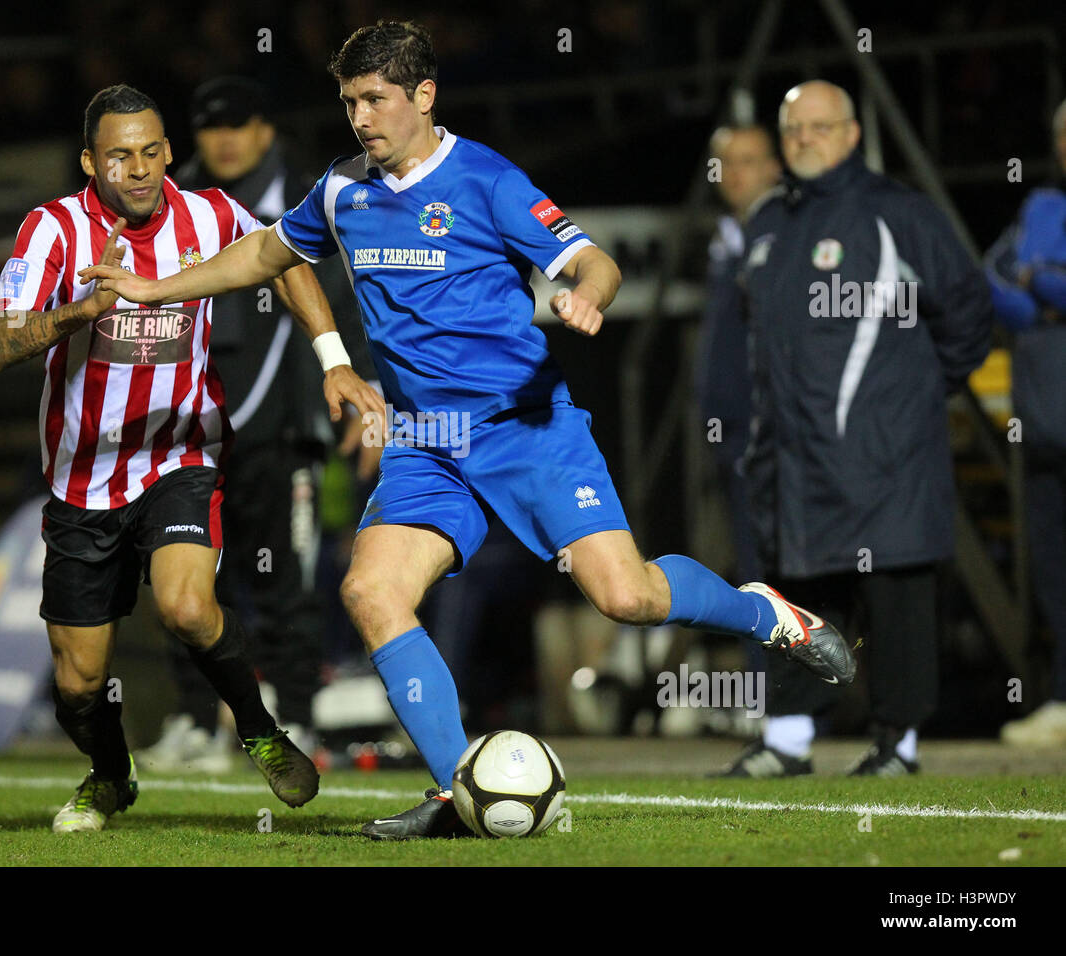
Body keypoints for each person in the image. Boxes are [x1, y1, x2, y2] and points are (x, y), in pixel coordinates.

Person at [80, 22, 855, 839]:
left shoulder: (487, 181)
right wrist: (153, 287)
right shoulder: (344, 190)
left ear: (424, 96)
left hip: (527, 429)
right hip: (426, 442)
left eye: (376, 99)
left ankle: (765, 613)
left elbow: (595, 261)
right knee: (371, 591)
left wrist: (588, 294)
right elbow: (265, 253)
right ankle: (458, 789)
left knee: (627, 597)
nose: (362, 118)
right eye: (350, 102)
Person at [0, 84, 382, 831]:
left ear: (168, 152)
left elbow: (286, 258)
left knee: (188, 607)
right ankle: (109, 775)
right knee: (78, 684)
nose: (137, 170)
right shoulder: (53, 230)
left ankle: (258, 730)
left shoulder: (209, 213)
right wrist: (80, 313)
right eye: (119, 156)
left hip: (182, 458)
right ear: (89, 163)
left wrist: (330, 355)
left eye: (151, 152)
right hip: (82, 479)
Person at [720, 81, 992, 777]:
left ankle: (898, 745)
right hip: (792, 458)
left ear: (851, 134)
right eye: (794, 129)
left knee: (894, 592)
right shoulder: (767, 225)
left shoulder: (898, 214)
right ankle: (787, 741)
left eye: (820, 126)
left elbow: (966, 312)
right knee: (798, 596)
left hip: (885, 457)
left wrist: (915, 397)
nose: (805, 139)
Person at [138, 76, 381, 771]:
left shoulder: (318, 197)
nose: (224, 138)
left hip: (287, 425)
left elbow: (354, 294)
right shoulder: (171, 200)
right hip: (189, 427)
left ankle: (296, 719)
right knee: (185, 584)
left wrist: (367, 397)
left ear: (265, 128)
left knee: (288, 586)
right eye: (211, 125)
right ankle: (195, 721)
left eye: (238, 123)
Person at [985, 98, 1066, 747]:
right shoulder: (1040, 206)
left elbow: (1036, 282)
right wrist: (1042, 290)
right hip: (1044, 421)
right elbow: (992, 281)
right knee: (1052, 568)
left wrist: (1042, 281)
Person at [696, 124, 782, 588]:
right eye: (725, 162)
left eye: (748, 161)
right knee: (751, 575)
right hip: (731, 437)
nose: (733, 173)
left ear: (774, 168)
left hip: (770, 437)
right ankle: (764, 662)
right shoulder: (727, 240)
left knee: (780, 571)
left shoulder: (783, 237)